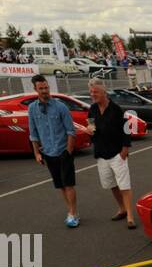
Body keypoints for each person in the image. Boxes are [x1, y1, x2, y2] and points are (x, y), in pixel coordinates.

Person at [27, 75, 79, 227]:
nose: (45, 91)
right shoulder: (32, 109)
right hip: (48, 153)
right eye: (41, 88)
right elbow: (33, 133)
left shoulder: (60, 107)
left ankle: (73, 213)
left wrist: (68, 151)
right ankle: (69, 210)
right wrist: (36, 153)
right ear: (35, 89)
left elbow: (71, 131)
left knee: (68, 184)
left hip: (63, 151)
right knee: (61, 185)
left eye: (46, 87)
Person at [87, 79, 135, 228]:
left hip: (117, 153)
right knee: (112, 184)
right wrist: (89, 130)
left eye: (95, 92)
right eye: (91, 92)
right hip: (101, 153)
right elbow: (91, 127)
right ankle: (122, 209)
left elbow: (127, 128)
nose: (93, 94)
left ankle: (130, 216)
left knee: (124, 185)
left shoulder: (116, 109)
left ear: (104, 92)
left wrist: (125, 149)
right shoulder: (92, 109)